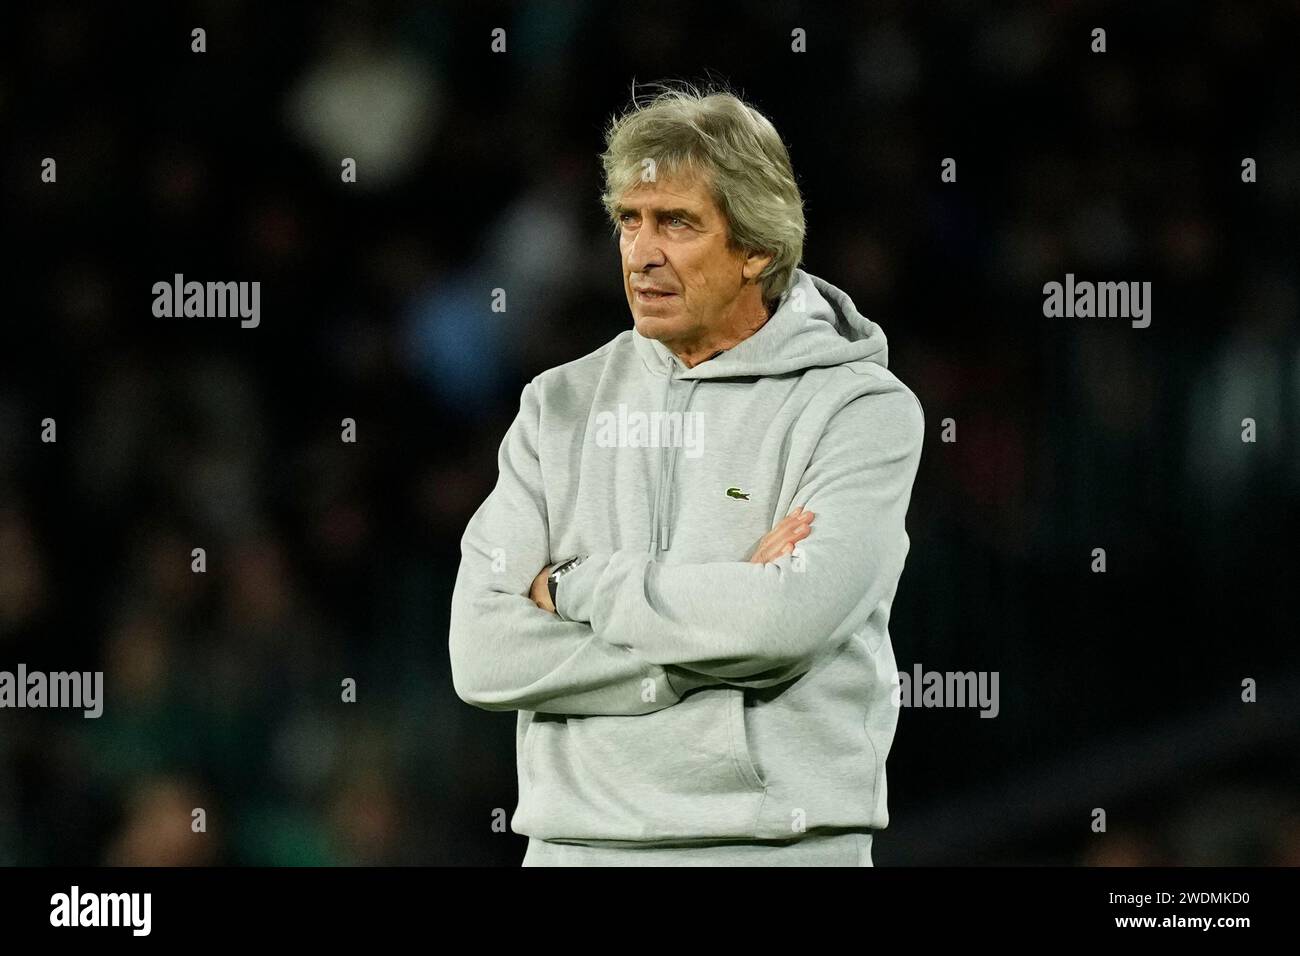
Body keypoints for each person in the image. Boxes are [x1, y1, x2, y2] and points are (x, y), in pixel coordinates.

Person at [449, 82, 925, 866]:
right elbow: (482, 651)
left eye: (677, 223)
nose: (642, 253)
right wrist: (711, 634)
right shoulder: (557, 405)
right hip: (573, 849)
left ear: (758, 247)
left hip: (776, 848)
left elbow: (786, 621)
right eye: (629, 222)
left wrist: (573, 588)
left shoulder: (859, 409)